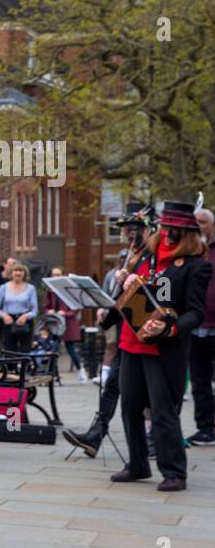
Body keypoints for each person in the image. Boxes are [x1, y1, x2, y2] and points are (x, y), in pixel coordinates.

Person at [101, 200, 210, 491]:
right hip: (130, 341)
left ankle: (174, 471)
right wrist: (115, 300)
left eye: (176, 229)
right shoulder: (146, 257)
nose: (169, 233)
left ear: (187, 233)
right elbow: (131, 293)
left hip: (163, 348)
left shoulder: (196, 266)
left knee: (162, 411)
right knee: (130, 407)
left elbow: (195, 313)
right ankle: (137, 464)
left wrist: (170, 327)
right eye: (166, 227)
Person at [64, 204, 155, 457]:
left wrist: (135, 283)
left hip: (149, 337)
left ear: (149, 230)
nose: (129, 234)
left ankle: (155, 438)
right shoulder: (131, 257)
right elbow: (124, 299)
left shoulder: (155, 258)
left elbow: (163, 296)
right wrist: (109, 309)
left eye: (135, 229)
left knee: (149, 392)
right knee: (112, 386)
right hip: (127, 334)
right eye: (127, 229)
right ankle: (95, 436)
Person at [187, 207, 215, 446]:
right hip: (195, 326)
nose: (198, 226)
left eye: (203, 222)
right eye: (194, 222)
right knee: (199, 380)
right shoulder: (189, 251)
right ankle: (206, 428)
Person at [45, 266, 87, 382]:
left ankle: (80, 369)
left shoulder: (69, 289)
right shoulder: (50, 290)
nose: (56, 277)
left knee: (71, 350)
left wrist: (65, 313)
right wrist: (49, 311)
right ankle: (52, 374)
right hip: (55, 324)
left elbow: (76, 308)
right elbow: (47, 306)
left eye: (58, 275)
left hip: (68, 324)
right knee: (53, 349)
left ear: (63, 276)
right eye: (54, 275)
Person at [0, 261, 37, 353]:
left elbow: (35, 310)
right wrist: (4, 315)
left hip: (25, 322)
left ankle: (24, 367)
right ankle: (11, 367)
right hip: (9, 322)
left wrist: (26, 316)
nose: (18, 273)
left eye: (21, 271)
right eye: (16, 270)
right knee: (9, 351)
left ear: (25, 273)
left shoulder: (31, 288)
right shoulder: (3, 288)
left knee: (25, 351)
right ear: (11, 273)